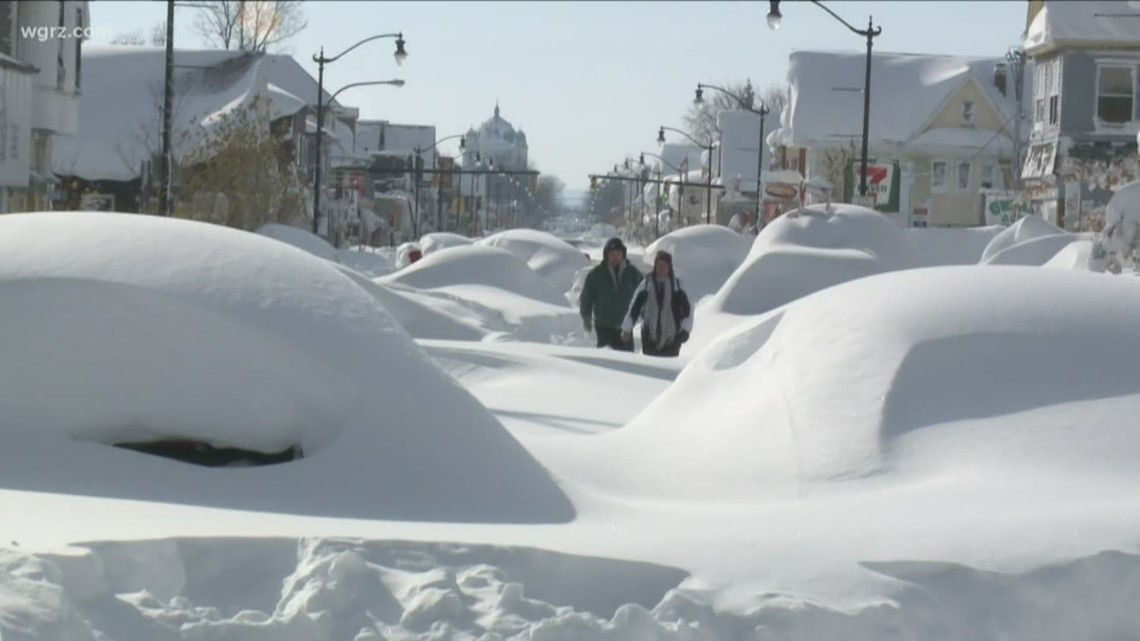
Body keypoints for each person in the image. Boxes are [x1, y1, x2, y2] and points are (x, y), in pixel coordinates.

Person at [621, 250, 693, 357]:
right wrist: (627, 328)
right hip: (649, 336)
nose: (661, 268)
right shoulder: (646, 285)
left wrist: (685, 331)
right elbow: (634, 308)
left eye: (664, 265)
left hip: (672, 337)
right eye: (659, 265)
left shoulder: (678, 287)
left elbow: (688, 311)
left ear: (669, 267)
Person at [579, 237, 642, 351]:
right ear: (606, 254)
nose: (615, 257)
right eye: (612, 253)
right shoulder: (597, 274)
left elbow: (643, 294)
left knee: (626, 362)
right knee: (605, 362)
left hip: (625, 328)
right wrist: (586, 318)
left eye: (618, 253)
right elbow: (586, 298)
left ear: (623, 254)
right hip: (604, 326)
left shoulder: (632, 273)